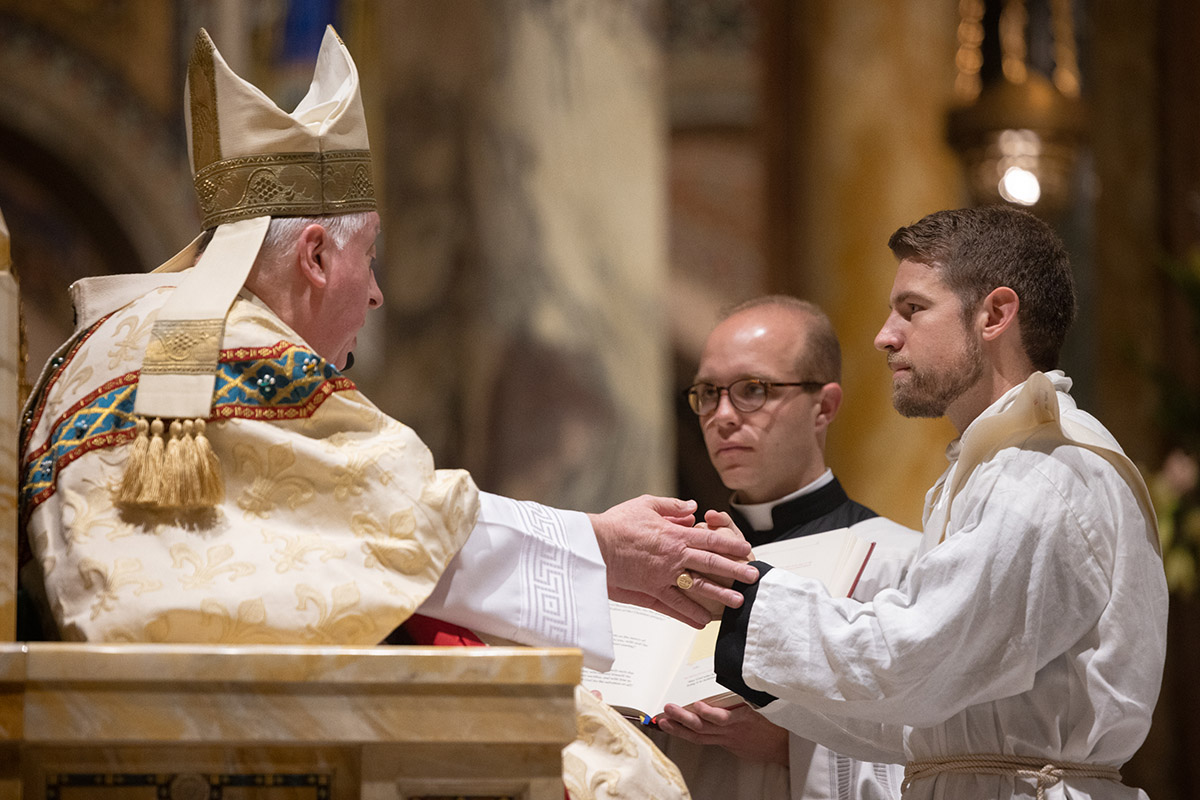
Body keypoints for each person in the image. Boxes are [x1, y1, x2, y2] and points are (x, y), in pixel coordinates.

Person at [17, 26, 757, 799]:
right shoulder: (248, 354)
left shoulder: (100, 344)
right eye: (368, 257)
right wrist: (603, 550)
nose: (375, 294)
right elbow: (407, 526)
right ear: (314, 255)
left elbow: (338, 543)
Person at [712, 206, 1168, 800]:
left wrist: (735, 595)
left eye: (913, 308)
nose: (884, 335)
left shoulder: (1042, 474)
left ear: (995, 315)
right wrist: (764, 677)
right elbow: (930, 720)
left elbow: (913, 660)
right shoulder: (1002, 465)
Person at [652, 296, 918, 800]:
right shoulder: (683, 561)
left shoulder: (900, 559)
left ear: (825, 405)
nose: (723, 416)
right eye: (708, 393)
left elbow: (937, 752)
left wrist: (787, 744)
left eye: (753, 390)